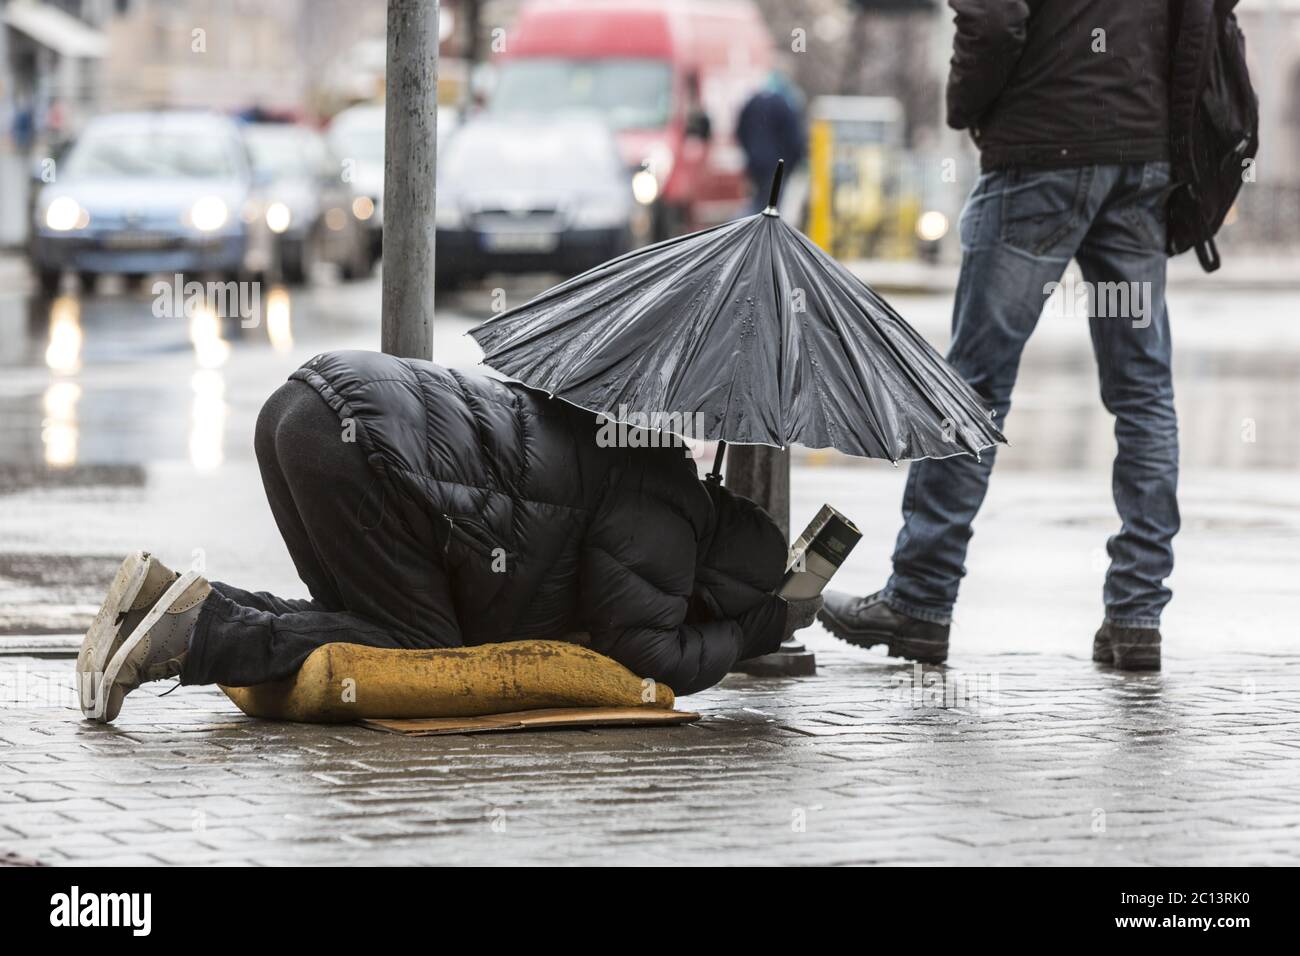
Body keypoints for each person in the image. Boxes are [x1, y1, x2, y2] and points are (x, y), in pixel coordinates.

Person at [77, 351, 820, 722]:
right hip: (360, 447)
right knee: (417, 647)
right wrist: (764, 624)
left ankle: (163, 599)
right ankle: (193, 637)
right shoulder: (671, 521)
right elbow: (649, 656)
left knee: (366, 624)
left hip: (308, 408)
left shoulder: (638, 450)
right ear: (718, 578)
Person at [820, 0, 1181, 671]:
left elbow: (992, 19)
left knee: (974, 387)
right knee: (1143, 395)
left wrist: (970, 111)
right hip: (1140, 156)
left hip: (1040, 153)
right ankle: (1137, 617)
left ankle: (921, 603)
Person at [736, 70, 807, 214]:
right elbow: (794, 139)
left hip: (755, 165)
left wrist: (750, 155)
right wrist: (791, 164)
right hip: (777, 167)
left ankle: (746, 230)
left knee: (757, 203)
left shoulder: (752, 102)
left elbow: (740, 131)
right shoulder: (785, 104)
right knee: (770, 208)